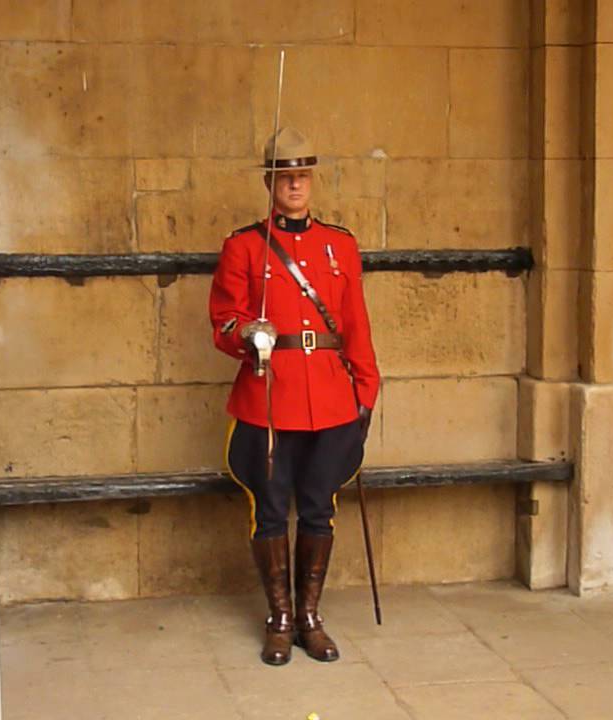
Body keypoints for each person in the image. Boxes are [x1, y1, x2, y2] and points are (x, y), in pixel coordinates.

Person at [208, 128, 380, 666]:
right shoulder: (243, 246)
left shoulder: (340, 245)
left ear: (312, 180)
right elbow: (223, 320)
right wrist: (246, 333)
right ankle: (279, 618)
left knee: (319, 509)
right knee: (270, 511)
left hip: (330, 397)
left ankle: (310, 617)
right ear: (270, 183)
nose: (296, 185)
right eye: (286, 177)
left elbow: (355, 324)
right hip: (269, 395)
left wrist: (366, 390)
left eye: (303, 176)